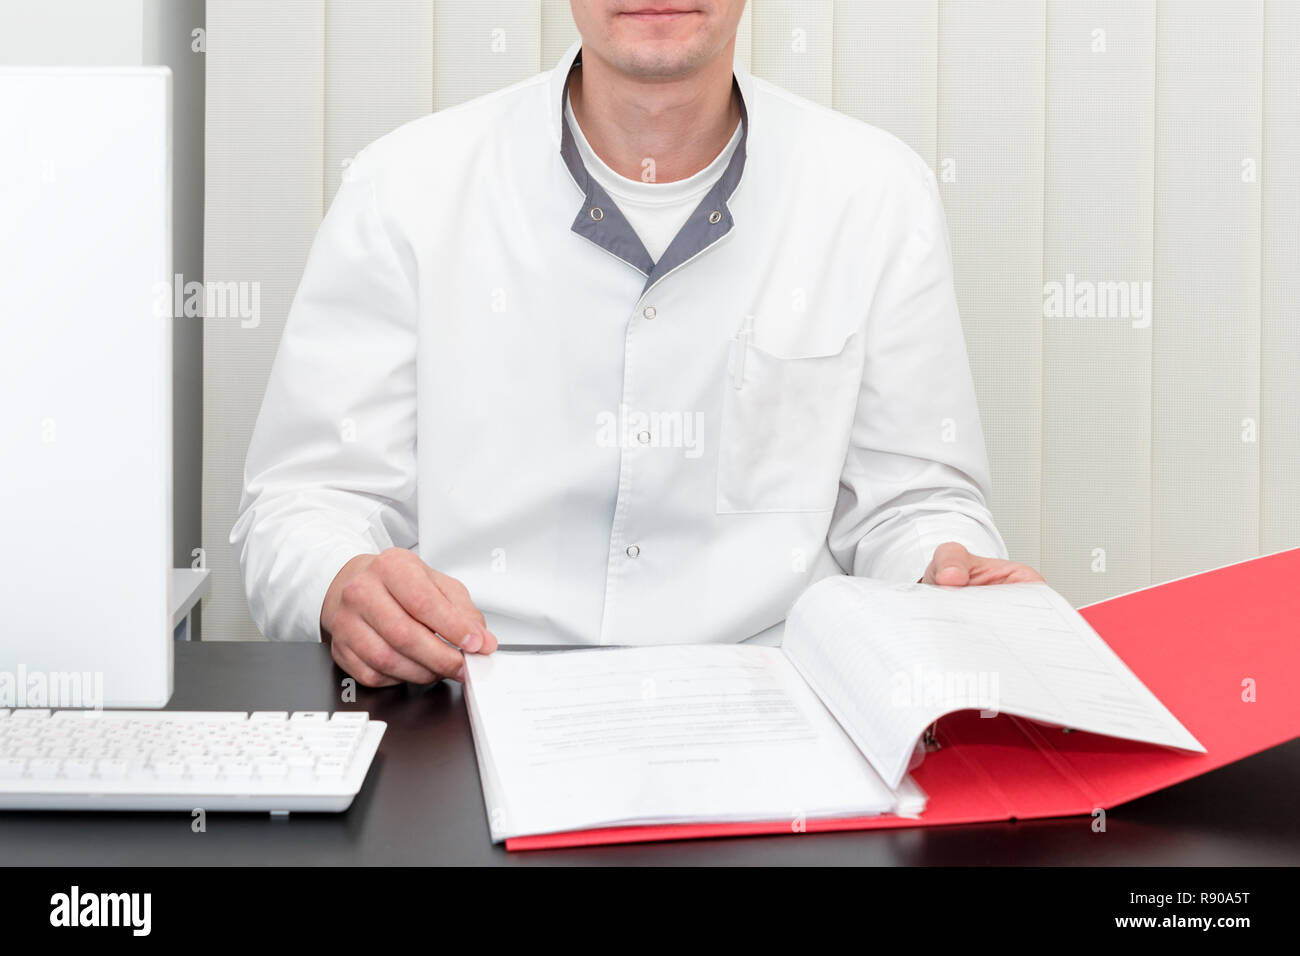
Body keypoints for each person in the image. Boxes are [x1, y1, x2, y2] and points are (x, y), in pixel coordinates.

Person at [231, 0, 1043, 688]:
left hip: (777, 715)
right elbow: (307, 501)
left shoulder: (874, 193)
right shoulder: (404, 186)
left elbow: (912, 503)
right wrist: (341, 581)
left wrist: (945, 570)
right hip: (471, 693)